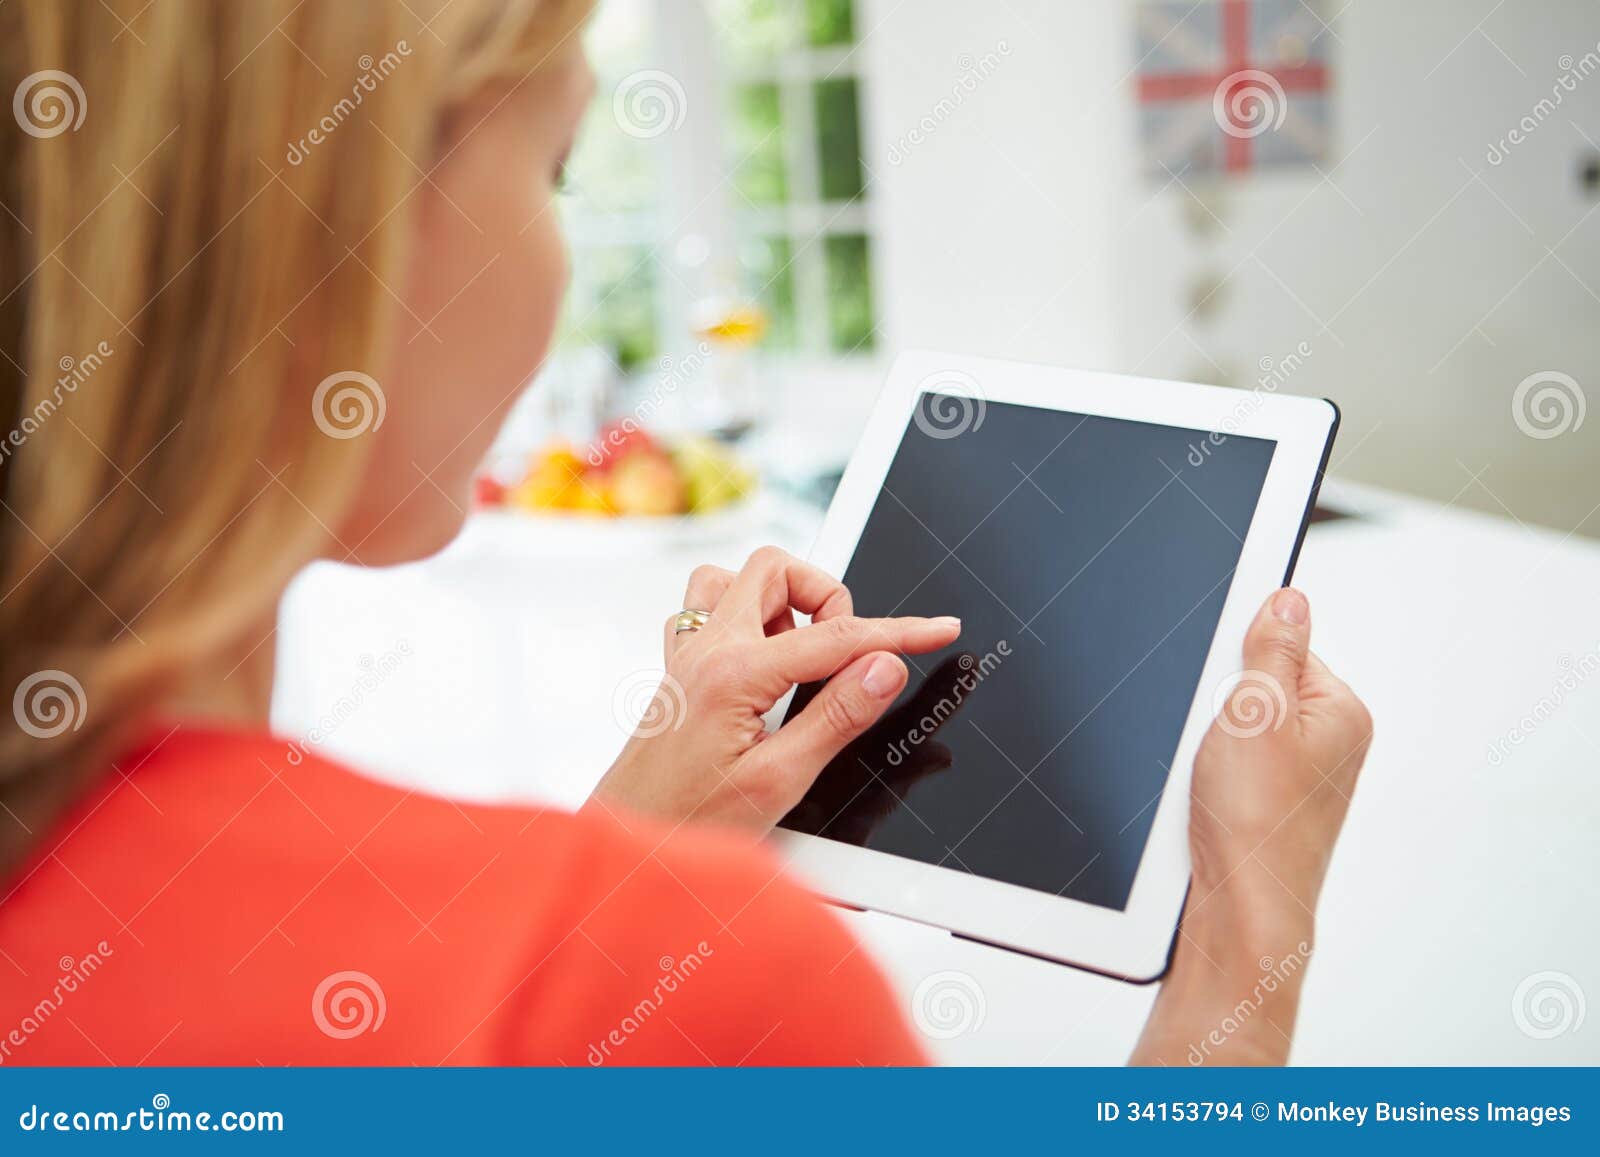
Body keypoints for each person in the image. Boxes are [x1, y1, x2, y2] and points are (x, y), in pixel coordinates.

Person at [0, 0, 1370, 1066]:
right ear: (343, 225)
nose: (562, 256)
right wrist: (1252, 932)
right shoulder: (722, 986)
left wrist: (625, 845)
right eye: (558, 163)